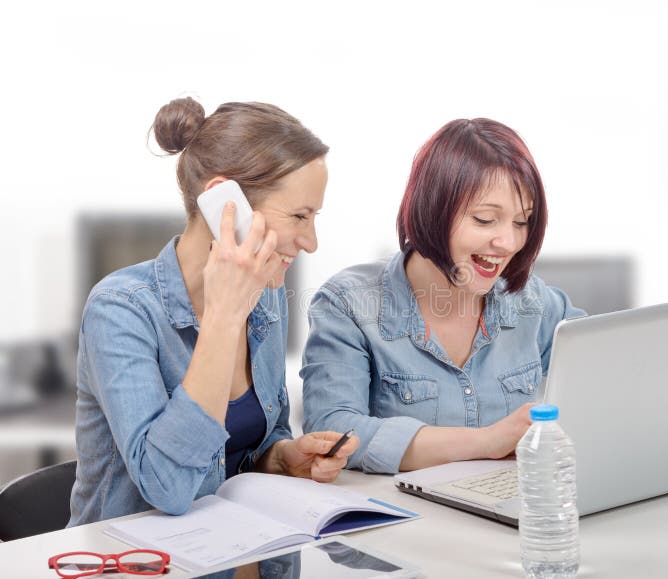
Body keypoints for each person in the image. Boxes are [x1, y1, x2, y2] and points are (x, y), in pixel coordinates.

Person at [68, 97, 358, 526]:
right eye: (299, 215)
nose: (310, 241)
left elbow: (251, 443)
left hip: (243, 552)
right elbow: (167, 486)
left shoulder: (267, 296)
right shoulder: (121, 310)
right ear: (225, 203)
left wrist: (279, 458)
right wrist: (223, 315)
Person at [301, 118, 584, 474]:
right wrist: (487, 442)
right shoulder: (349, 304)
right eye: (484, 219)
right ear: (432, 209)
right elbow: (333, 428)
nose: (509, 243)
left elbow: (607, 367)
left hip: (509, 509)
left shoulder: (532, 303)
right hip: (407, 520)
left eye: (521, 221)